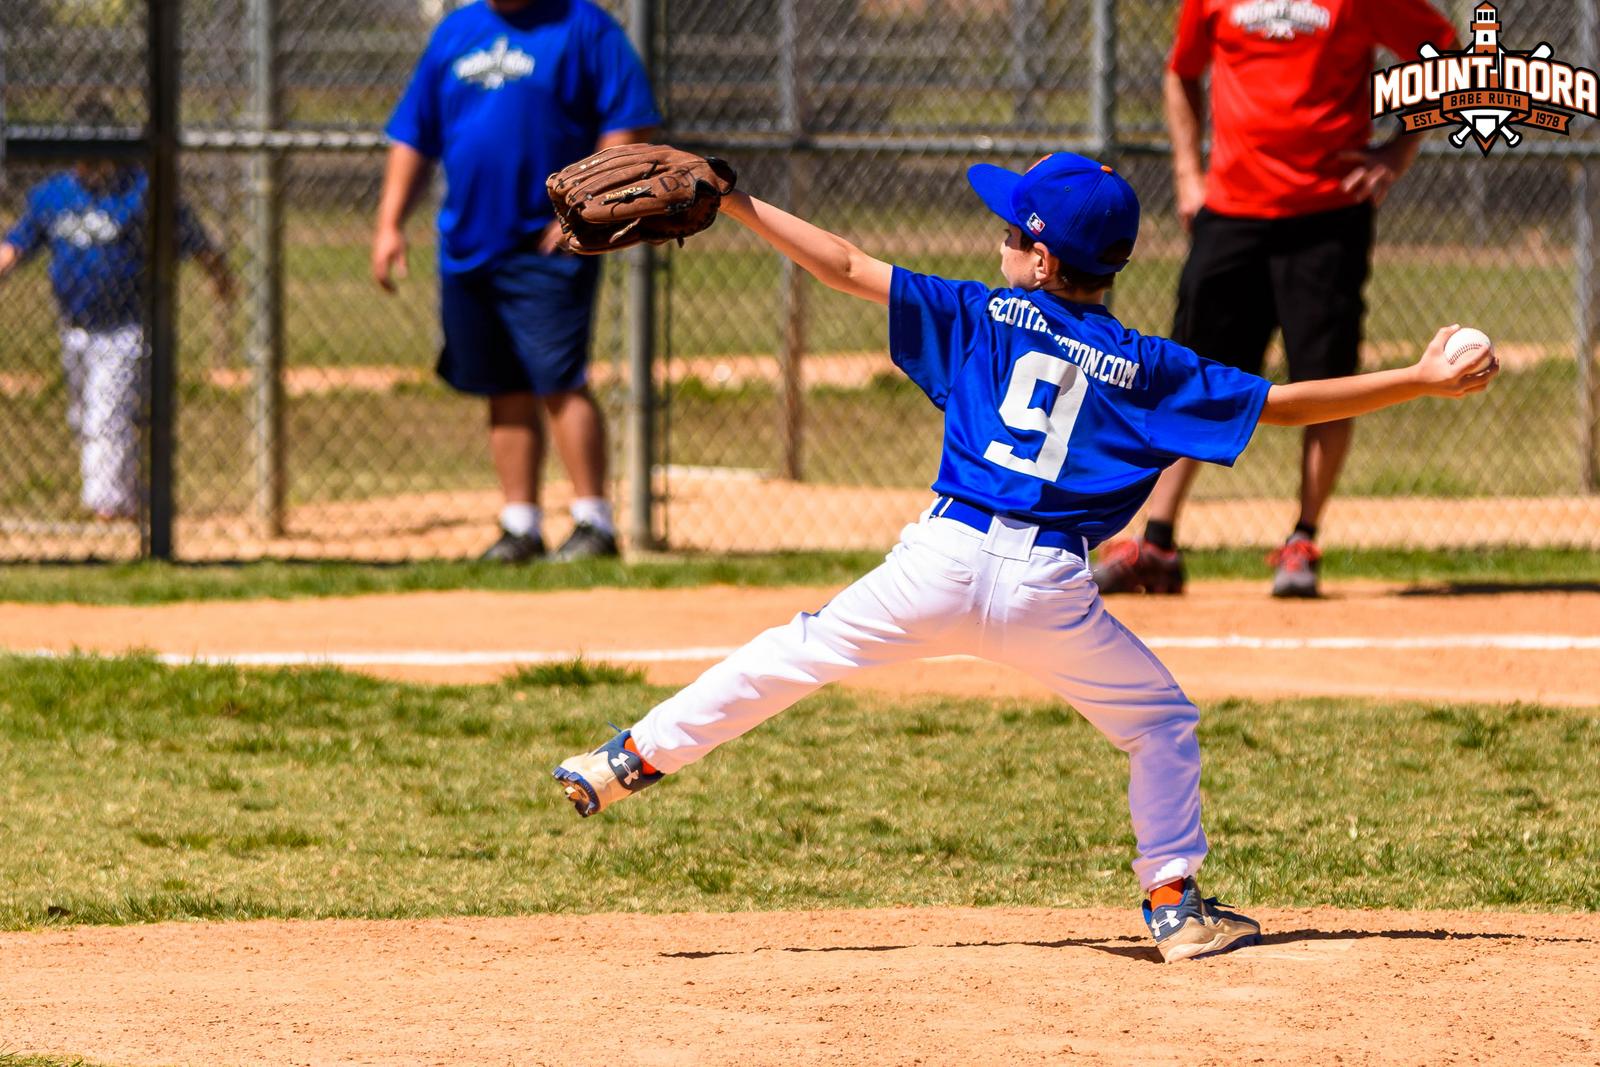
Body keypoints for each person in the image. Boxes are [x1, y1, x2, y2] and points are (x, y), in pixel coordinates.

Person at [549, 152, 1497, 962]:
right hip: (1050, 586)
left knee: (791, 655)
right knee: (1160, 720)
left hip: (940, 559)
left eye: (1011, 233)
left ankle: (626, 757)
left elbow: (841, 264)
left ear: (1040, 261)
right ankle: (1175, 905)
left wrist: (736, 201)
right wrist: (1419, 379)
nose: (998, 243)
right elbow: (1284, 403)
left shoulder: (981, 312)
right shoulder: (1151, 364)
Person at [1093, 0, 1459, 598]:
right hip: (1232, 213)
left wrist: (1397, 151)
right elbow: (1181, 71)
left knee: (1326, 377)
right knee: (1191, 375)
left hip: (1327, 214)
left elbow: (1443, 57)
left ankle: (1303, 539)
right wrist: (1189, 175)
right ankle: (1156, 541)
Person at [372, 0, 661, 563]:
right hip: (469, 243)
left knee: (558, 378)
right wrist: (388, 224)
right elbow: (414, 132)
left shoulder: (583, 27)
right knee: (500, 382)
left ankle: (593, 523)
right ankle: (520, 525)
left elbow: (625, 122)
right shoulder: (458, 31)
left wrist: (581, 209)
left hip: (547, 242)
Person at [0, 99, 234, 521]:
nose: (89, 164)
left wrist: (219, 277)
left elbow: (194, 238)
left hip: (126, 325)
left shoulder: (140, 192)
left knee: (108, 413)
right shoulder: (52, 196)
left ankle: (108, 504)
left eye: (98, 152)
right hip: (72, 327)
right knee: (86, 417)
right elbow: (15, 245)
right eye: (82, 153)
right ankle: (128, 496)